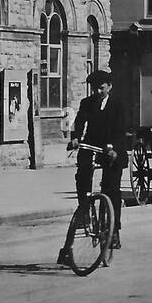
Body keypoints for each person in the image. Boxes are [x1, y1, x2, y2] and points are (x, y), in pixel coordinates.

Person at [59, 71, 127, 265]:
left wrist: (114, 149)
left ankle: (114, 230)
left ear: (109, 86)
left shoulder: (118, 105)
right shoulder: (87, 103)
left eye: (101, 87)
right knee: (82, 174)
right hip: (92, 145)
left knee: (112, 188)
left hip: (112, 148)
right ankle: (84, 211)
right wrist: (75, 138)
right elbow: (80, 122)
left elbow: (120, 130)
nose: (97, 91)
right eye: (94, 88)